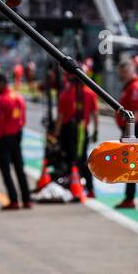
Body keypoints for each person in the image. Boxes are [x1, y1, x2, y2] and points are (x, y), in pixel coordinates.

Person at [114, 58, 138, 209]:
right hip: (133, 128)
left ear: (130, 71)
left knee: (132, 165)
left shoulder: (135, 88)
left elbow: (134, 113)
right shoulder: (130, 87)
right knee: (132, 164)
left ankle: (132, 197)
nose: (121, 76)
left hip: (135, 129)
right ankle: (134, 196)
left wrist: (128, 133)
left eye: (123, 73)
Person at [0, 72, 30, 211]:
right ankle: (27, 199)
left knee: (6, 171)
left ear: (1, 83)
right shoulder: (18, 97)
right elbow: (23, 120)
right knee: (19, 169)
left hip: (4, 139)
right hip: (17, 136)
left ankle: (14, 200)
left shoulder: (1, 101)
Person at [57, 67, 98, 195]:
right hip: (82, 129)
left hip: (69, 130)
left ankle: (74, 186)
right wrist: (96, 130)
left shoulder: (66, 94)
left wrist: (56, 134)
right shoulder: (90, 93)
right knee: (83, 159)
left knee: (71, 159)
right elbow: (94, 114)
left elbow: (60, 116)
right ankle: (89, 188)